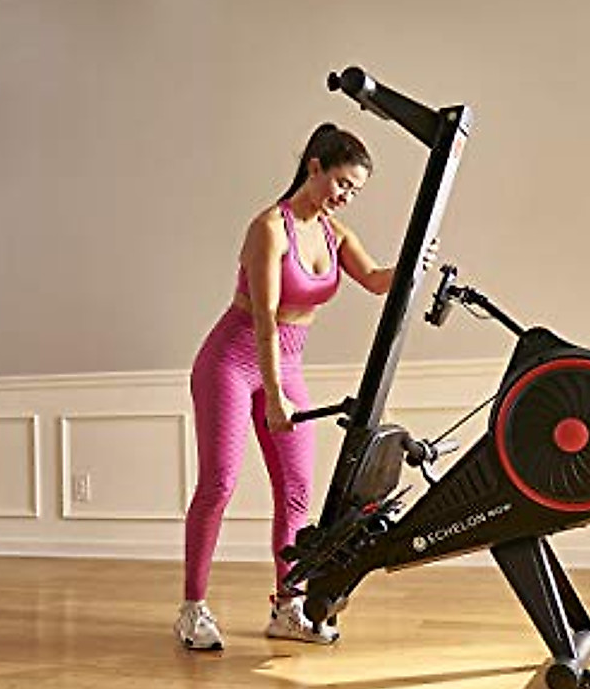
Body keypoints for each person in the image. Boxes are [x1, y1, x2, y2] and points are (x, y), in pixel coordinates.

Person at [176, 122, 437, 651]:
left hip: (287, 364)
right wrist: (274, 396)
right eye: (342, 183)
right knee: (218, 484)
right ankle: (192, 609)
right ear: (314, 167)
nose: (346, 197)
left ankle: (287, 606)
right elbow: (265, 320)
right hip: (232, 361)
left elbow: (376, 281)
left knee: (297, 492)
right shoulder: (270, 228)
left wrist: (414, 261)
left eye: (355, 190)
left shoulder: (335, 234)